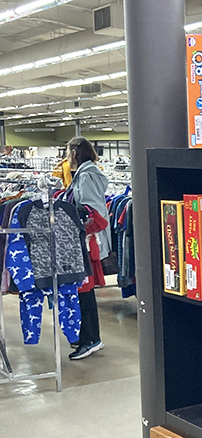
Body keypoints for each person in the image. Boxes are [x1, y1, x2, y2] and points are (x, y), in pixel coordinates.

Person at [65, 137, 111, 360]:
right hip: (86, 244)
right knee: (85, 293)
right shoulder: (86, 173)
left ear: (75, 152)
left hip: (84, 245)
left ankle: (89, 339)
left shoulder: (85, 176)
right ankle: (90, 337)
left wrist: (75, 222)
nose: (66, 156)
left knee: (83, 293)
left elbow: (92, 213)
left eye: (67, 151)